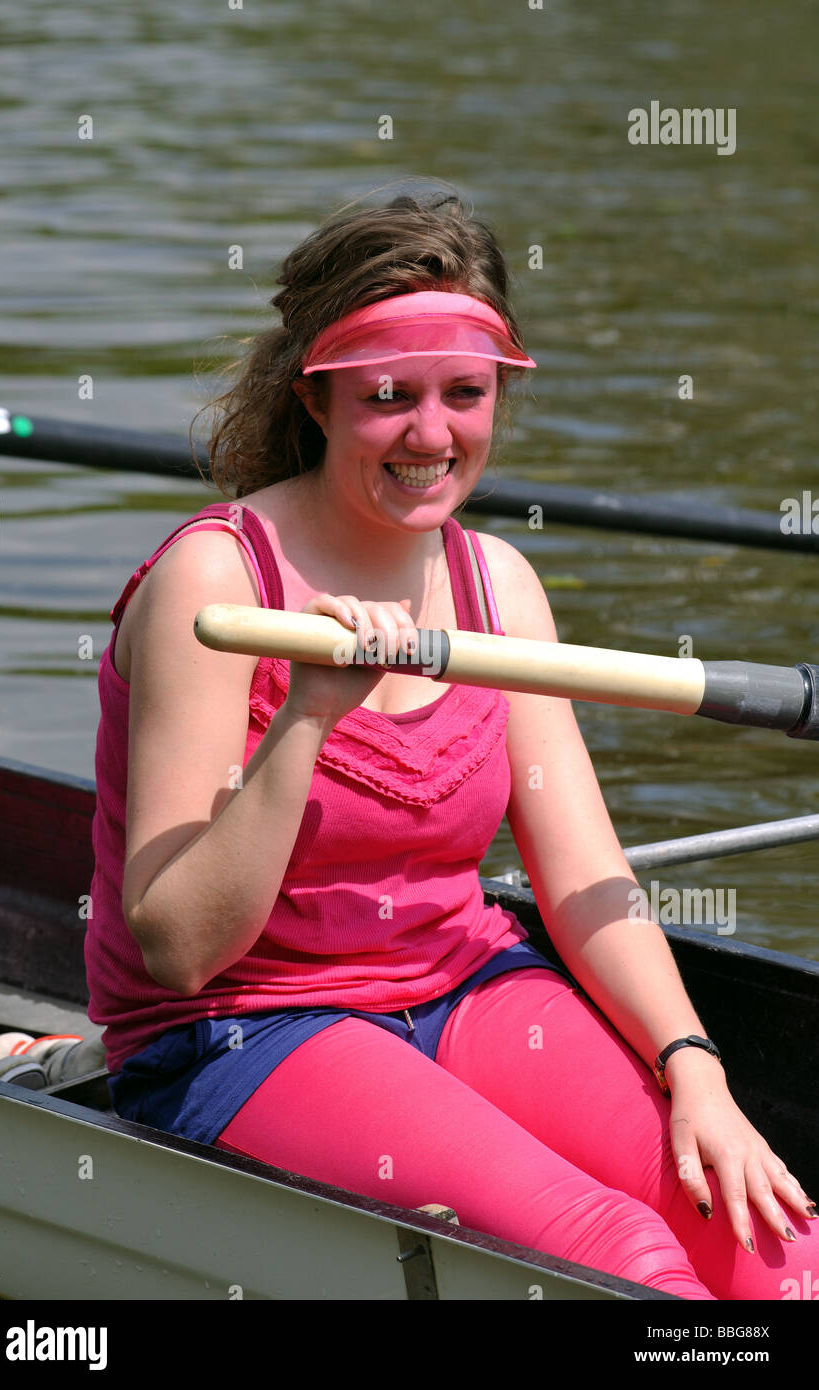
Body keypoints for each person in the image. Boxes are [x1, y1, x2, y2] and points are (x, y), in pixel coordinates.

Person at [87, 189, 816, 1300]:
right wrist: (310, 713)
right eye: (389, 397)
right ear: (316, 396)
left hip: (463, 982)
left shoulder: (500, 586)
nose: (432, 435)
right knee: (621, 1262)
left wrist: (693, 1065)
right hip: (244, 1027)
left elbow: (582, 877)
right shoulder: (216, 582)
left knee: (775, 1248)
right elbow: (180, 948)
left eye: (463, 394)